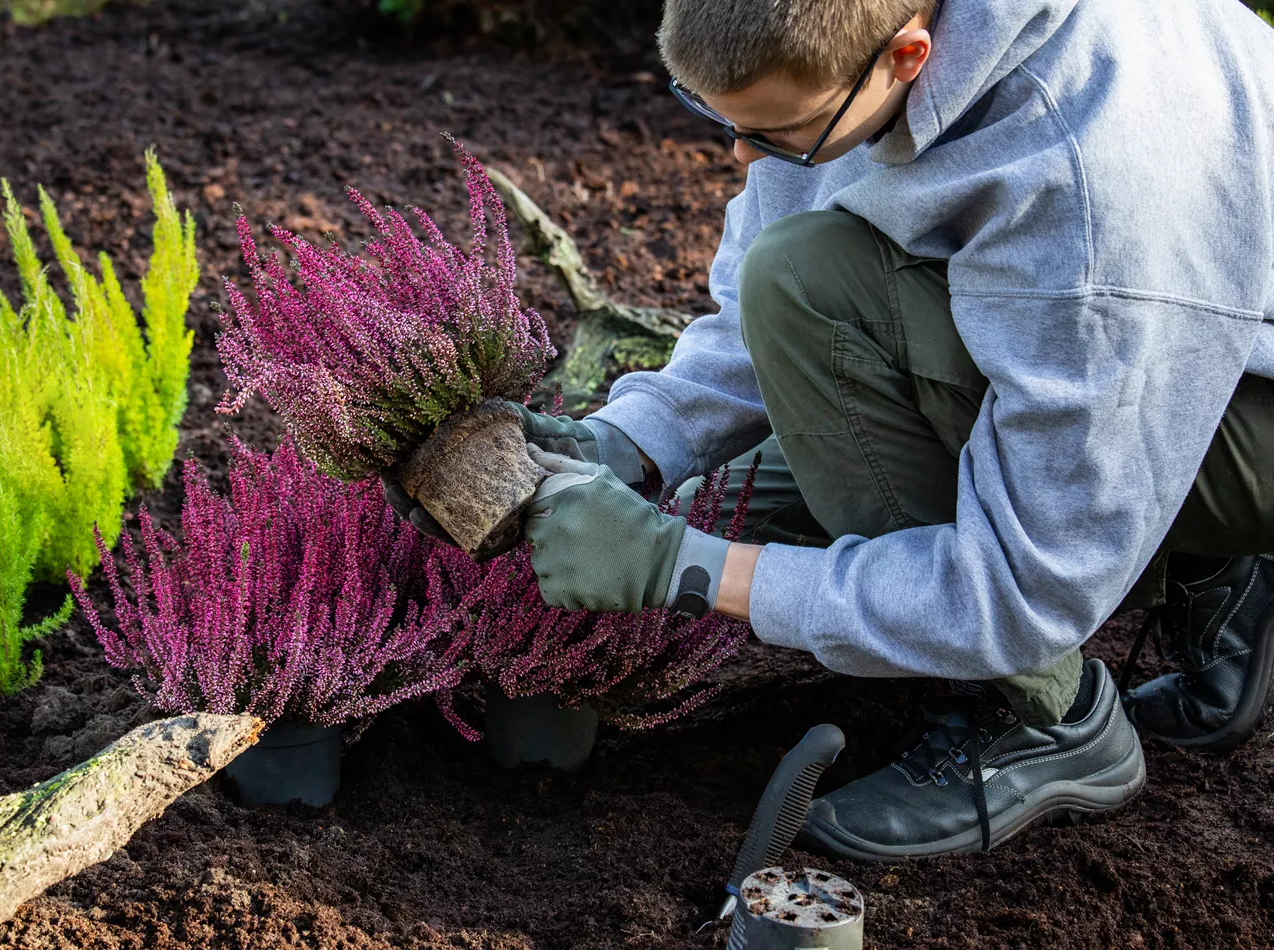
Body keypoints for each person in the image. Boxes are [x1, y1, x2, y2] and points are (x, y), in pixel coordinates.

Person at [389, 0, 1274, 860]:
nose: (742, 153)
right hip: (1173, 340)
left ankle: (1058, 721)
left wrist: (683, 569)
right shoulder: (860, 40)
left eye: (779, 135)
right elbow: (766, 294)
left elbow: (1019, 595)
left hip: (1203, 374)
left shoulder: (1087, 203)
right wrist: (631, 442)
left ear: (910, 58)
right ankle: (1190, 541)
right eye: (717, 116)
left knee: (810, 325)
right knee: (767, 387)